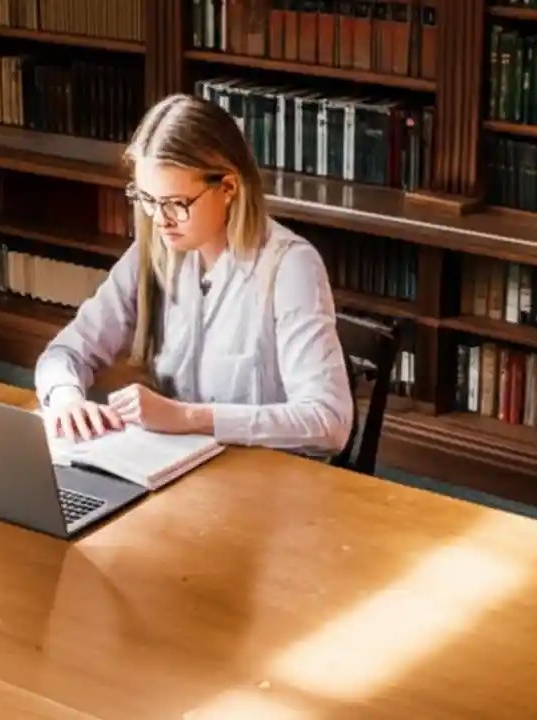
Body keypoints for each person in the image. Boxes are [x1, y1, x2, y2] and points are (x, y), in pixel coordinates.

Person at [34, 93, 355, 459]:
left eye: (176, 203)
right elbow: (65, 352)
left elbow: (329, 422)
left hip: (268, 483)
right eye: (147, 200)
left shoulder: (290, 267)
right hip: (180, 472)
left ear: (229, 188)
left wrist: (188, 417)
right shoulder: (156, 246)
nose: (160, 219)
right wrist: (65, 397)